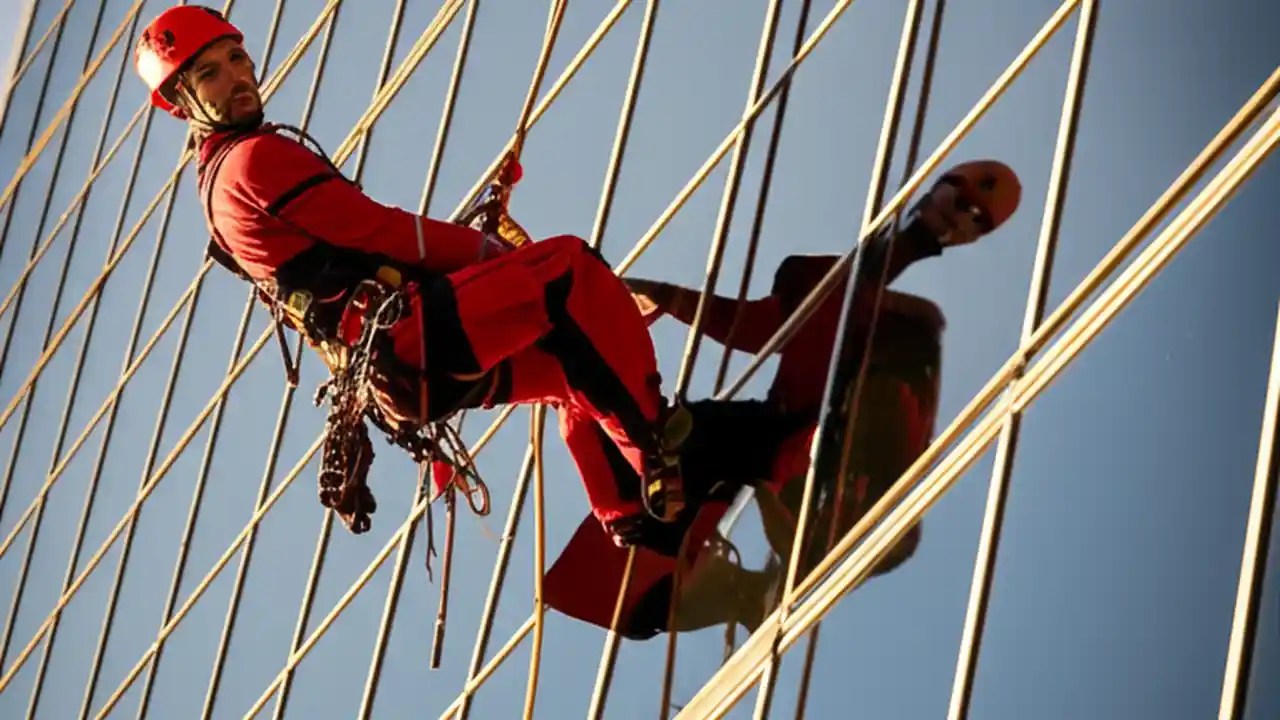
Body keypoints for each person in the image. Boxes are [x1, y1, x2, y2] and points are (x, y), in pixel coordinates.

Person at [132, 5, 701, 551]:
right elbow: (384, 233)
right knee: (569, 271)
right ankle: (654, 443)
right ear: (182, 102)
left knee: (569, 370)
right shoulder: (251, 160)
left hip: (401, 373)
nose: (237, 76)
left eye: (237, 59)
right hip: (411, 337)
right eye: (210, 73)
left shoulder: (218, 192)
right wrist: (489, 252)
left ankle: (624, 516)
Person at [545, 160, 1022, 638]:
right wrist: (667, 298)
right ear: (939, 189)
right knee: (654, 452)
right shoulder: (828, 283)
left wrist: (667, 299)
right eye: (962, 203)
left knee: (663, 453)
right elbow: (760, 328)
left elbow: (786, 325)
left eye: (977, 221)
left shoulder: (895, 318)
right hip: (775, 435)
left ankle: (771, 540)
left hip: (804, 439)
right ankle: (709, 579)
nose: (963, 218)